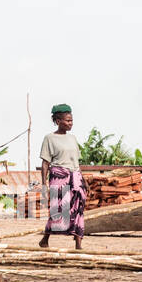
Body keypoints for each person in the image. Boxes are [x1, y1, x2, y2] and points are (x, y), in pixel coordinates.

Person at [38, 104, 86, 250]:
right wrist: (44, 184)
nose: (71, 123)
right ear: (58, 121)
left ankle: (78, 243)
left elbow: (76, 161)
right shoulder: (49, 138)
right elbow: (45, 163)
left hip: (75, 177)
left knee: (79, 208)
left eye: (71, 120)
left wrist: (82, 179)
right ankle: (45, 238)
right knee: (58, 210)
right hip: (59, 177)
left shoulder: (73, 138)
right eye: (67, 121)